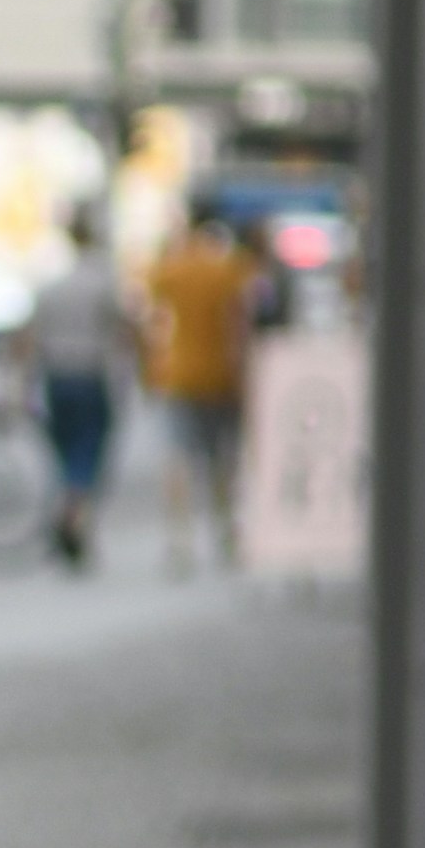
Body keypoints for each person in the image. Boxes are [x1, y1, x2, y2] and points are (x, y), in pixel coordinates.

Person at [143, 194, 263, 571]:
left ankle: (179, 541)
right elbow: (239, 323)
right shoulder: (231, 267)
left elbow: (154, 318)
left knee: (179, 459)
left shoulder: (172, 267)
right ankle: (226, 533)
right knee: (223, 459)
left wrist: (150, 369)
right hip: (222, 376)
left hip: (178, 374)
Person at [20, 198, 133, 571]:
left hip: (56, 376)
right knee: (88, 452)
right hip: (90, 373)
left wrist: (21, 382)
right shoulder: (103, 281)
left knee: (66, 449)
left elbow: (28, 337)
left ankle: (69, 514)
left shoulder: (52, 284)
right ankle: (76, 515)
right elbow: (123, 329)